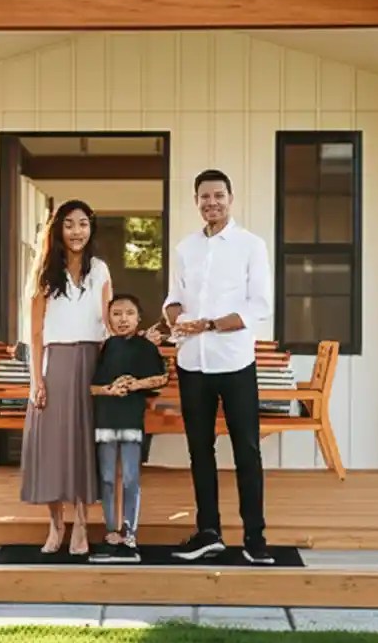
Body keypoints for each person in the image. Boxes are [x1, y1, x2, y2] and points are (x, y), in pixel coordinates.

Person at [149, 168, 275, 565]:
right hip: (191, 362)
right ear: (196, 201)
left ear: (230, 198)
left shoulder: (251, 245)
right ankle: (209, 532)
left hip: (235, 360)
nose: (211, 203)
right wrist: (174, 319)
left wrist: (210, 324)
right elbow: (173, 297)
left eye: (218, 195)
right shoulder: (185, 248)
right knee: (199, 450)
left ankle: (255, 538)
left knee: (247, 450)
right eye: (204, 197)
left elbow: (260, 305)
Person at [20, 199, 111, 556]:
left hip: (91, 361)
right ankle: (56, 525)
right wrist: (36, 381)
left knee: (82, 446)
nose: (77, 231)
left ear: (91, 228)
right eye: (70, 224)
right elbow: (36, 333)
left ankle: (82, 526)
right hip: (54, 363)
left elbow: (107, 324)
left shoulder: (100, 270)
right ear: (58, 230)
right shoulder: (43, 272)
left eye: (83, 224)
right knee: (51, 446)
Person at [88, 294, 168, 564]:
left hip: (132, 421)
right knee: (108, 477)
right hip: (105, 419)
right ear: (108, 318)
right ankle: (111, 531)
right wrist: (108, 390)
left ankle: (130, 533)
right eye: (116, 313)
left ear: (138, 317)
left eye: (129, 313)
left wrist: (135, 384)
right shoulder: (104, 347)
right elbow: (89, 385)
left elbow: (161, 378)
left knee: (132, 478)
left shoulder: (146, 347)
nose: (123, 319)